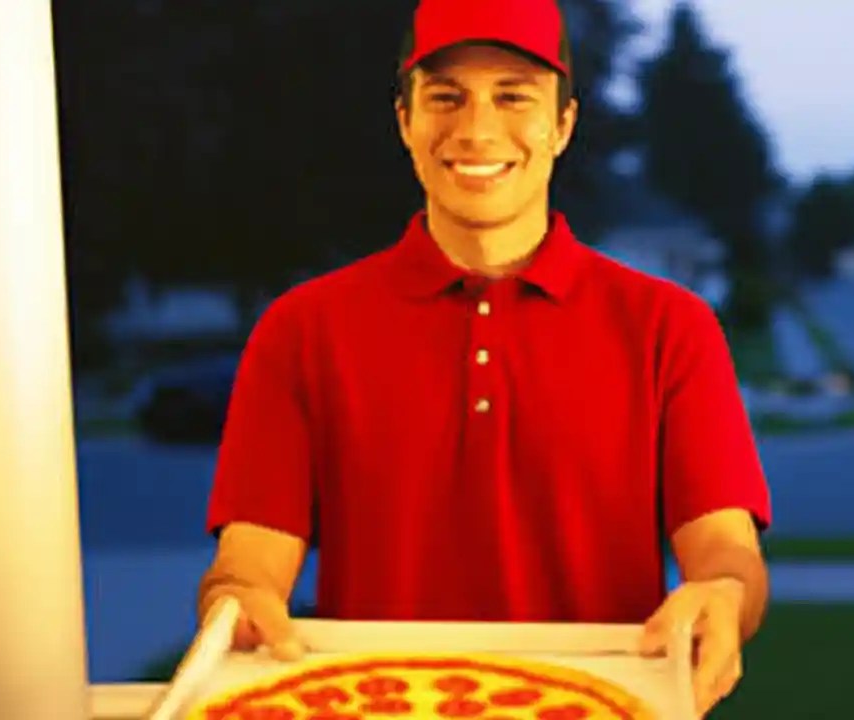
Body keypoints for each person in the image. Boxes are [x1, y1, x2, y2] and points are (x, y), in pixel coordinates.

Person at [197, 0, 773, 714]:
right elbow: (248, 566)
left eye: (513, 96)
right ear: (404, 120)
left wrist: (723, 594)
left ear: (562, 124)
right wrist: (239, 603)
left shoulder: (670, 328)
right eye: (445, 97)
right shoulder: (301, 330)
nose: (476, 129)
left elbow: (725, 551)